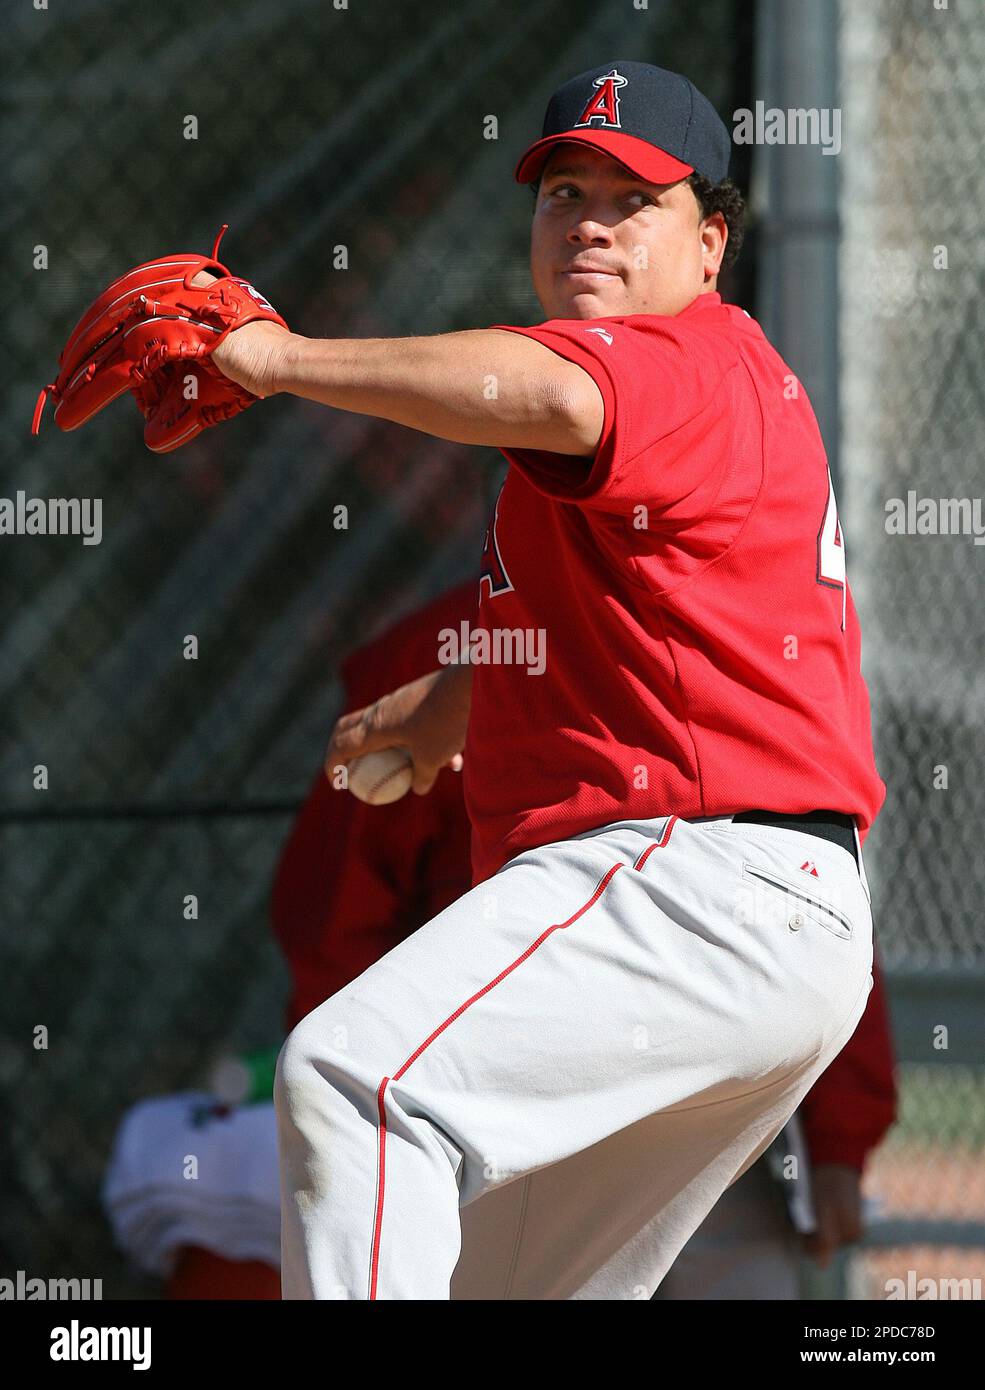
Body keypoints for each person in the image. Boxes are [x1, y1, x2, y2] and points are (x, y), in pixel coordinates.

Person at [202, 60, 885, 1299]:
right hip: (771, 927)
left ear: (711, 242)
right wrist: (455, 698)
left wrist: (279, 359)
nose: (589, 221)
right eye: (564, 189)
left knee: (356, 1082)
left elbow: (547, 388)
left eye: (635, 198)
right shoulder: (699, 400)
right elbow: (652, 624)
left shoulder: (673, 362)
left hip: (695, 882)